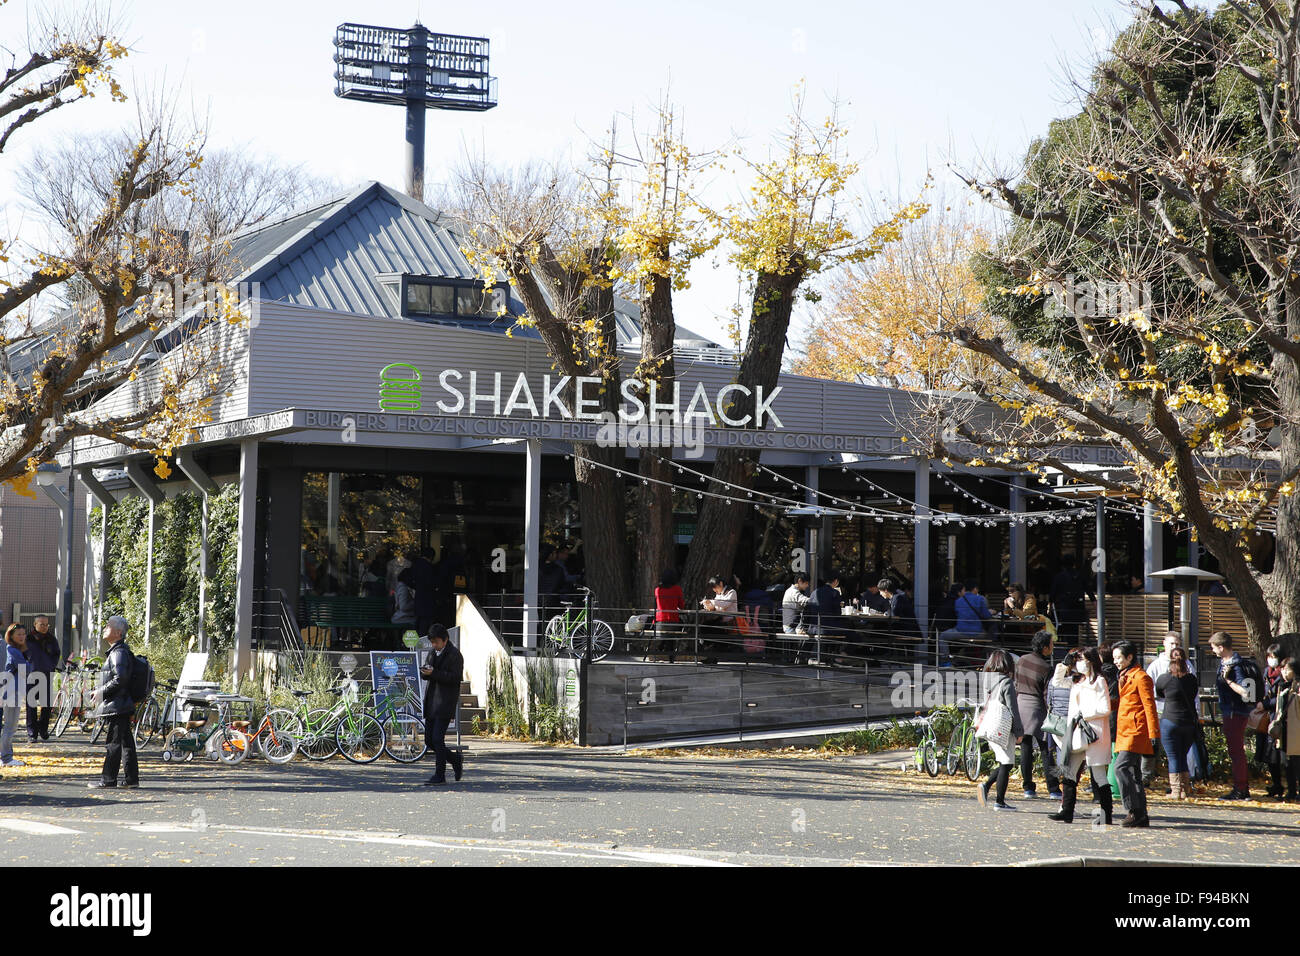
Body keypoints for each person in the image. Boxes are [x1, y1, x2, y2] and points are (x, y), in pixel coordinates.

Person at [1051, 646, 1115, 824]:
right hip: (1079, 732)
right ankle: (1067, 810)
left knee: (1099, 774)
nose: (1079, 664)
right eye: (1077, 660)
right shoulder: (1077, 681)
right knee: (1070, 772)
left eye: (1082, 660)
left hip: (1094, 733)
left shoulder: (1099, 681)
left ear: (1091, 662)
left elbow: (1105, 708)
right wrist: (1065, 664)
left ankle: (1105, 814)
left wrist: (1083, 714)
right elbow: (1056, 682)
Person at [88, 616, 138, 790]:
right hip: (122, 704)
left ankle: (108, 779)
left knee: (114, 743)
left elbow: (120, 678)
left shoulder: (118, 653)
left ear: (118, 633)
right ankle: (132, 779)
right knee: (126, 743)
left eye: (108, 626)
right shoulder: (120, 651)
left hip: (118, 705)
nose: (104, 628)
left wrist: (101, 691)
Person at [1112, 640, 1158, 827]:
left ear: (1129, 657)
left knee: (1120, 768)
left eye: (1119, 657)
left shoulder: (1141, 677)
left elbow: (1150, 706)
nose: (1116, 661)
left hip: (1136, 731)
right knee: (1133, 772)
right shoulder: (1125, 675)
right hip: (1125, 730)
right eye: (1114, 658)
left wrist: (1154, 734)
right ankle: (1141, 814)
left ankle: (1132, 809)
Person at [1145, 631, 1198, 789]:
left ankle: (1178, 787)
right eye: (1171, 643)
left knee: (1176, 755)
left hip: (1174, 717)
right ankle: (1181, 786)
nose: (1174, 646)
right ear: (1164, 644)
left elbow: (1194, 694)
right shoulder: (1156, 665)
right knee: (1172, 752)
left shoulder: (1188, 667)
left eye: (1177, 644)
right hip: (1163, 712)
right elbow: (1151, 691)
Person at [1209, 630, 1256, 800]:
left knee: (1236, 752)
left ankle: (1241, 789)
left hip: (1234, 712)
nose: (1212, 650)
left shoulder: (1234, 666)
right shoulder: (1225, 662)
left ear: (1221, 647)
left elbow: (1246, 691)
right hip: (1230, 711)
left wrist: (1228, 681)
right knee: (1235, 751)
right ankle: (1241, 787)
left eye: (1214, 647)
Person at [976, 648, 1024, 811]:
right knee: (1006, 762)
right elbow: (1013, 708)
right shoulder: (1007, 682)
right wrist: (1019, 731)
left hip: (990, 724)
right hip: (1003, 726)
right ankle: (999, 800)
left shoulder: (987, 680)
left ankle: (987, 786)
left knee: (1005, 762)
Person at [1014, 629, 1059, 799]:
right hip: (1037, 707)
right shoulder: (1047, 668)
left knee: (1025, 747)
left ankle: (1028, 788)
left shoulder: (1022, 660)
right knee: (1046, 749)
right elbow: (1047, 694)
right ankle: (1053, 788)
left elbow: (1016, 682)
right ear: (1045, 648)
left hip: (1020, 704)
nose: (1052, 647)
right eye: (1051, 644)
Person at [419, 623, 464, 785]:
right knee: (429, 741)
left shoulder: (455, 655)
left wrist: (434, 673)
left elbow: (455, 678)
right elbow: (427, 674)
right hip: (432, 701)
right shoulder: (432, 652)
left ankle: (440, 774)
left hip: (445, 702)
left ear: (445, 640)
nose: (434, 645)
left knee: (438, 739)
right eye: (432, 642)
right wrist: (425, 672)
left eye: (436, 642)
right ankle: (455, 759)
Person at [1155, 646, 1199, 801]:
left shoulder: (1164, 679)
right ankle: (1186, 789)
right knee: (1182, 755)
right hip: (1188, 723)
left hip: (1170, 721)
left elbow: (1159, 693)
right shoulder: (1192, 679)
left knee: (1173, 757)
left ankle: (1175, 791)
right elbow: (1193, 694)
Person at [23, 614, 60, 741]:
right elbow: (22, 655)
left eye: (46, 624)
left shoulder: (51, 639)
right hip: (31, 675)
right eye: (41, 624)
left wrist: (51, 666)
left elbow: (56, 654)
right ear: (35, 624)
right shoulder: (27, 639)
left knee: (47, 705)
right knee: (31, 705)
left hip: (47, 674)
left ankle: (43, 729)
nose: (44, 627)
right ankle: (32, 733)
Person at [940, 580, 991, 667]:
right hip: (977, 632)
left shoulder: (958, 601)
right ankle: (988, 662)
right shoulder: (980, 599)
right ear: (975, 589)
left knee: (942, 636)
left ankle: (945, 661)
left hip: (961, 631)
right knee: (992, 637)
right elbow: (986, 616)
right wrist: (991, 612)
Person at [1269, 657, 1299, 802]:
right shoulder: (1281, 685)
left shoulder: (1297, 686)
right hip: (1284, 728)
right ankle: (1291, 790)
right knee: (1285, 762)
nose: (1284, 671)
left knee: (1296, 761)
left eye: (1287, 669)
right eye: (1282, 668)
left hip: (1296, 728)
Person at [1, 624, 29, 768]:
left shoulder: (15, 650)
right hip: (11, 692)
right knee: (10, 727)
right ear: (11, 635)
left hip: (12, 690)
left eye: (24, 634)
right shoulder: (12, 650)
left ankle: (6, 756)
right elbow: (25, 669)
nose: (22, 637)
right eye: (18, 634)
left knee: (10, 726)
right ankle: (6, 758)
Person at [1261, 643, 1287, 798]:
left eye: (1274, 657)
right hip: (1268, 717)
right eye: (1269, 657)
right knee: (1270, 755)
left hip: (1279, 717)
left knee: (1282, 754)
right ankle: (1276, 784)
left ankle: (1289, 785)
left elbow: (1280, 699)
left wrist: (1263, 704)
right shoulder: (1266, 673)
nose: (1271, 660)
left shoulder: (1284, 674)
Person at [1050, 554, 1087, 644]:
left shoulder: (1059, 576)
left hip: (1065, 608)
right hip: (1078, 608)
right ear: (1074, 563)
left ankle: (1068, 646)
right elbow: (1087, 588)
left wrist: (1050, 603)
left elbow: (1053, 592)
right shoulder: (1079, 575)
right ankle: (1074, 645)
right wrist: (1094, 601)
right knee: (1075, 629)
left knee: (1067, 629)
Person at [653, 568, 685, 660]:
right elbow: (681, 605)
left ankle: (661, 647)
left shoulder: (657, 590)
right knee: (675, 629)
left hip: (659, 621)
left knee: (666, 632)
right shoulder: (677, 589)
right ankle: (671, 656)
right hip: (673, 620)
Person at [410, 546, 439, 637]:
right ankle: (424, 645)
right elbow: (432, 584)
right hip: (428, 600)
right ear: (431, 557)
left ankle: (417, 645)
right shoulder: (429, 567)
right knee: (426, 626)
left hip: (418, 599)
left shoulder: (415, 565)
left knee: (418, 624)